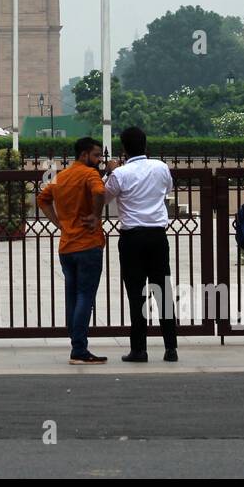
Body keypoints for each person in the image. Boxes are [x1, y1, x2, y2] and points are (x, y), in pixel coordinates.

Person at [105, 126, 178, 363]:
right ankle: (171, 348)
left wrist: (111, 172)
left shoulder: (121, 174)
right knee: (163, 292)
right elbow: (168, 189)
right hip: (158, 237)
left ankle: (139, 349)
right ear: (146, 145)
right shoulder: (161, 167)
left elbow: (104, 197)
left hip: (132, 239)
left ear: (123, 149)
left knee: (136, 295)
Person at [37, 136, 108, 365]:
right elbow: (99, 192)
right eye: (96, 155)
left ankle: (76, 344)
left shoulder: (62, 176)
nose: (99, 160)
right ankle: (79, 349)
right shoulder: (90, 174)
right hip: (88, 244)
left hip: (66, 246)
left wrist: (57, 223)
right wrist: (96, 216)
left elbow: (42, 199)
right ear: (84, 155)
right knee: (85, 296)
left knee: (72, 296)